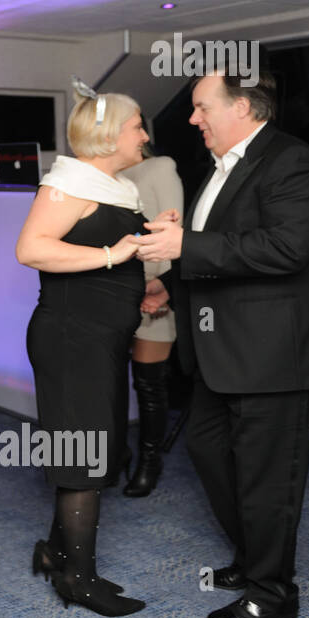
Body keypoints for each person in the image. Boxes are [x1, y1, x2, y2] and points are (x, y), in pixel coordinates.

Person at [133, 70, 309, 618]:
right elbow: (218, 252)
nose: (192, 118)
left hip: (274, 356)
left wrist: (187, 242)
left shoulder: (293, 162)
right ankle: (254, 560)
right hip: (222, 353)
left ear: (243, 107)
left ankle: (272, 595)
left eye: (202, 107)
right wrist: (169, 282)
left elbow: (286, 248)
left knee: (267, 479)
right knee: (208, 451)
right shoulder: (219, 166)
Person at [16, 81, 166, 617]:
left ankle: (56, 553)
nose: (144, 135)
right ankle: (78, 581)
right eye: (137, 126)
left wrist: (147, 253)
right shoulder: (67, 184)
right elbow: (31, 249)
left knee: (92, 445)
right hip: (71, 338)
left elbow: (110, 249)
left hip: (98, 337)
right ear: (108, 136)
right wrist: (112, 255)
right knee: (83, 454)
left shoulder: (115, 186)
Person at [118, 130, 183, 496]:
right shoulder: (107, 175)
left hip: (154, 290)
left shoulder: (160, 167)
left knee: (148, 383)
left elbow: (174, 234)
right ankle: (118, 453)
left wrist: (164, 287)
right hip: (116, 289)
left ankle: (149, 462)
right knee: (112, 379)